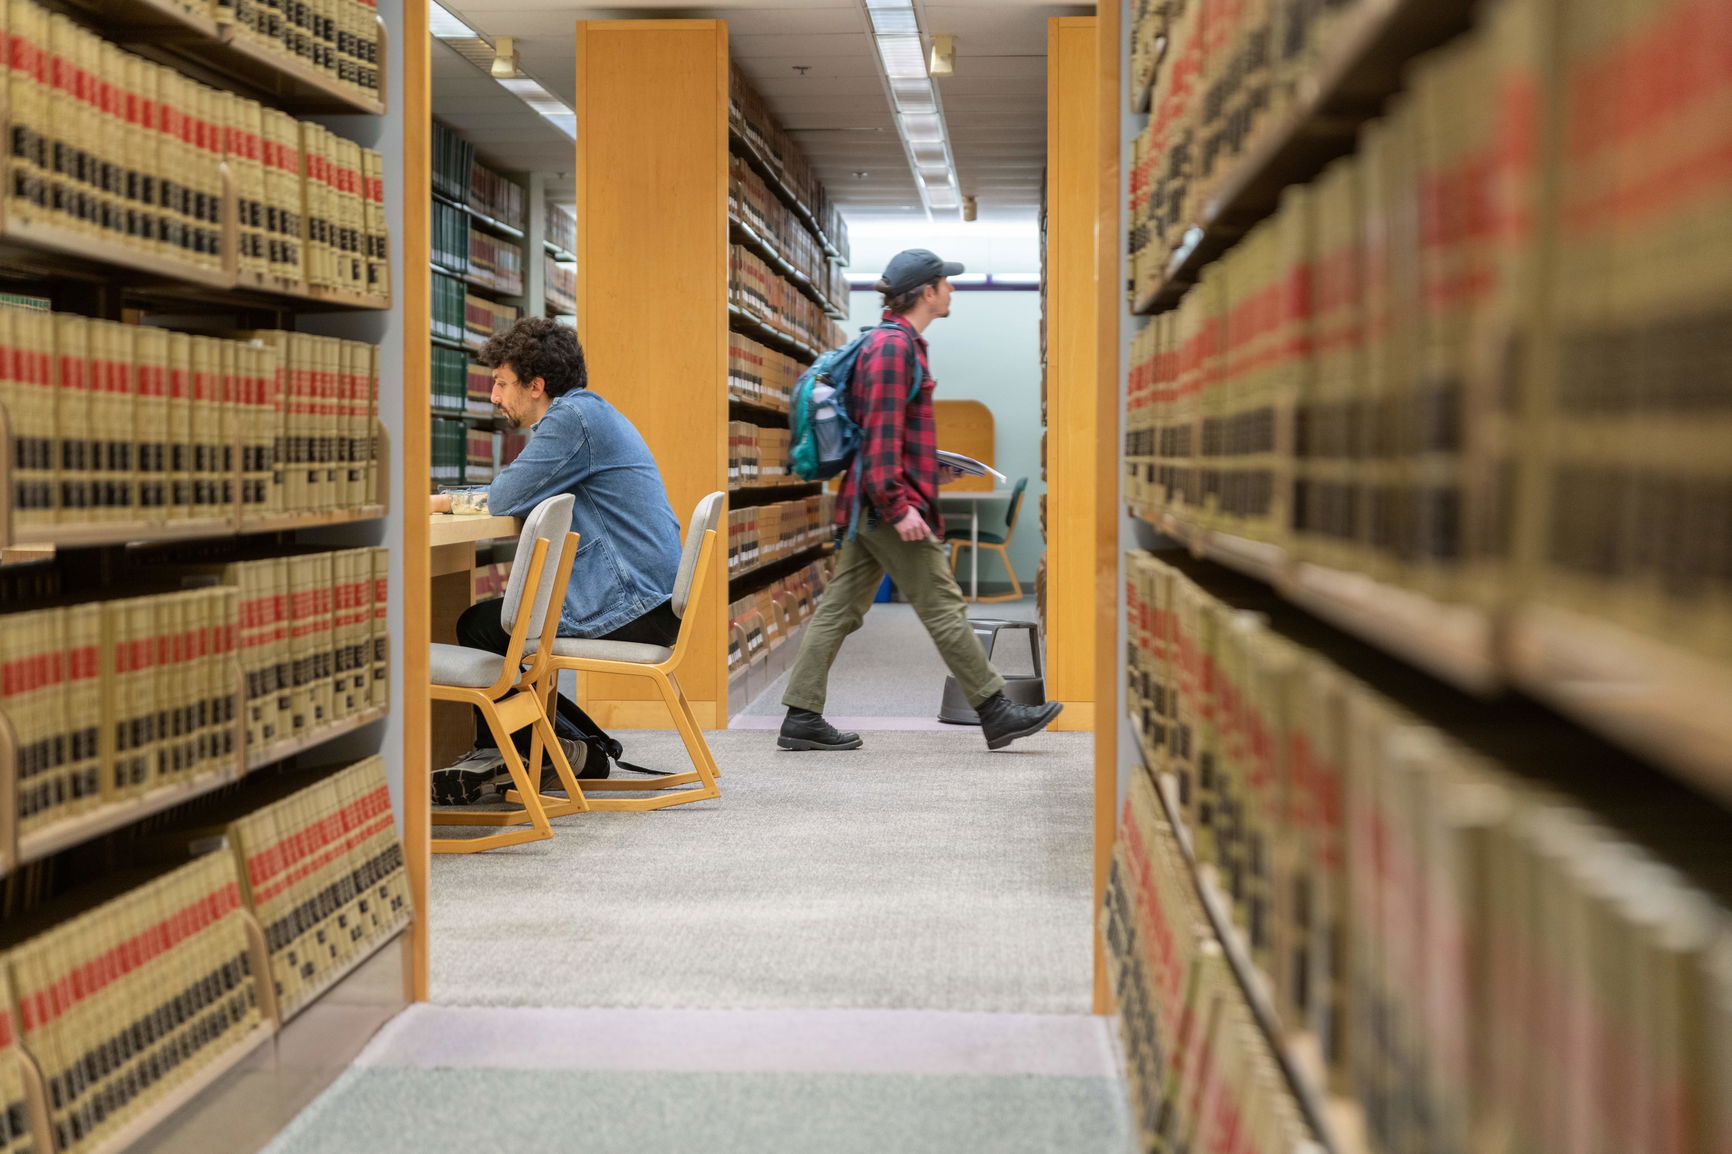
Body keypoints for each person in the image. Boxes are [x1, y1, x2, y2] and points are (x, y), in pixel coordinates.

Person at [777, 249, 1063, 752]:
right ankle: (996, 711)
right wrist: (899, 505)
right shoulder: (892, 349)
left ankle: (801, 715)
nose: (952, 290)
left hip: (873, 503)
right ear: (926, 292)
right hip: (886, 506)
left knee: (839, 609)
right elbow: (880, 437)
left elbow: (891, 435)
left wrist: (931, 471)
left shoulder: (896, 344)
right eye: (946, 283)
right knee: (943, 604)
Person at [430, 317, 683, 785]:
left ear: (536, 386)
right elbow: (514, 490)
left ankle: (534, 754)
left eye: (502, 383)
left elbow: (506, 495)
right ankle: (554, 751)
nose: (494, 396)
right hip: (653, 597)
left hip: (635, 600)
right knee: (496, 625)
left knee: (483, 627)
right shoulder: (589, 414)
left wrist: (443, 500)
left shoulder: (571, 420)